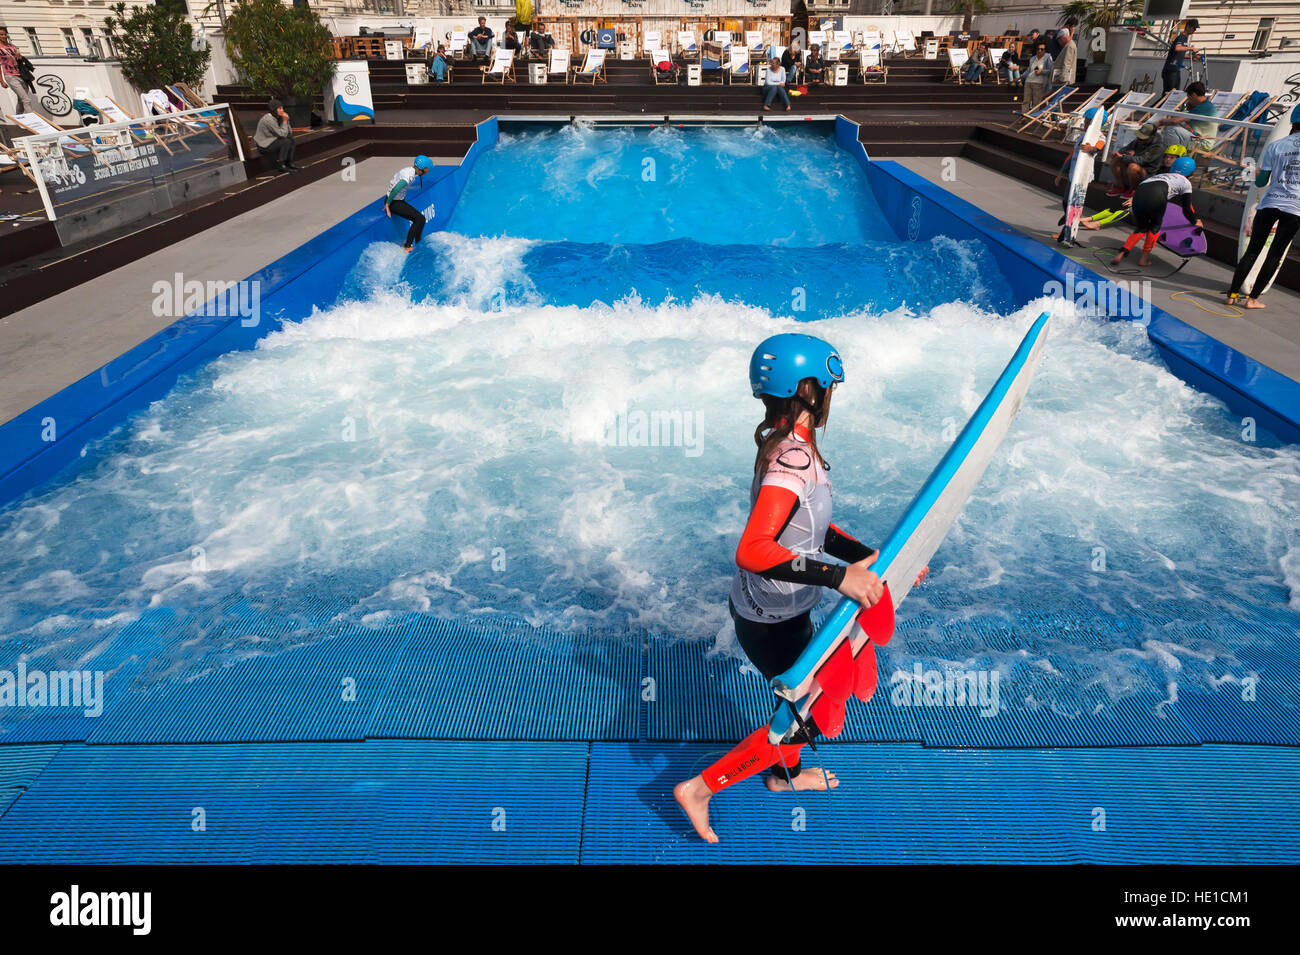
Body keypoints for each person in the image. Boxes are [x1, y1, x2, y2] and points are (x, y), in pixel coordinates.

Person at [672, 334, 927, 844]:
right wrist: (841, 578)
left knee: (801, 696)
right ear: (809, 391)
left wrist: (865, 560)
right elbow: (754, 549)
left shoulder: (788, 448)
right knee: (801, 717)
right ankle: (700, 789)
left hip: (771, 610)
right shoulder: (795, 461)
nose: (833, 394)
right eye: (830, 384)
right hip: (773, 617)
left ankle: (781, 776)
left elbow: (812, 530)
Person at [1227, 104, 1300, 309]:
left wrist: (1259, 173)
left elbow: (1260, 183)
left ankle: (1232, 294)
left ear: (1292, 122)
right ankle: (1252, 300)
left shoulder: (1276, 146)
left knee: (1252, 250)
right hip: (1295, 209)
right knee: (1274, 254)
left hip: (1270, 203)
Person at [1110, 156, 1202, 268]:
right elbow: (1186, 208)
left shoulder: (1159, 176)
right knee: (1154, 226)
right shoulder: (1185, 182)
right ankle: (1144, 259)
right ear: (1191, 173)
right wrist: (1195, 221)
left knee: (1142, 227)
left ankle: (1121, 253)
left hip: (1138, 195)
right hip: (1156, 196)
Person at [1053, 106, 1108, 244]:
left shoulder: (1100, 137)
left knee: (1074, 203)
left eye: (1088, 121)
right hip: (1073, 172)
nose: (1085, 123)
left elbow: (1099, 147)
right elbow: (1071, 155)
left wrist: (1092, 149)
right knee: (1066, 201)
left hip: (1083, 175)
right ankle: (1067, 219)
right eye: (1085, 120)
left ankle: (1067, 230)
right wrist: (1060, 173)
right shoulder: (1082, 137)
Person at [384, 156, 433, 254]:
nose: (427, 172)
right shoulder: (408, 176)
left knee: (422, 219)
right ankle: (407, 246)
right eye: (426, 170)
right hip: (394, 202)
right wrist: (387, 205)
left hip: (399, 200)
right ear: (421, 168)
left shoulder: (411, 171)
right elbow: (396, 189)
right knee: (418, 219)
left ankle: (418, 242)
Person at [1107, 123, 1163, 196]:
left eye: (1142, 138)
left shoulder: (1158, 148)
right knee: (1116, 160)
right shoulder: (1139, 140)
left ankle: (1134, 190)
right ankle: (1121, 187)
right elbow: (1124, 149)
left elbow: (1142, 160)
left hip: (1148, 173)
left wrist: (1125, 156)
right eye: (1138, 137)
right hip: (1134, 166)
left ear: (1152, 137)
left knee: (1133, 167)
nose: (1139, 140)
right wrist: (1122, 153)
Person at [1162, 81, 1218, 150]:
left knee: (1171, 130)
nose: (1188, 100)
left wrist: (1159, 122)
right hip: (1199, 139)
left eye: (1189, 97)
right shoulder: (1205, 105)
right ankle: (1174, 153)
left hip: (1202, 144)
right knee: (1174, 127)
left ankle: (1171, 155)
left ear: (1194, 95)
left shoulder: (1203, 108)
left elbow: (1175, 120)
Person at [0, 27, 38, 116]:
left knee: (21, 100)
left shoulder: (12, 46)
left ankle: (18, 118)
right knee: (26, 99)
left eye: (5, 34)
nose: (4, 36)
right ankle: (33, 120)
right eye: (1, 35)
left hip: (21, 75)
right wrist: (1, 81)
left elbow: (19, 58)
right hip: (10, 76)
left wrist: (19, 57)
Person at [253, 99, 298, 173]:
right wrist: (285, 121)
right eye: (280, 108)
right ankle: (281, 165)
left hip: (272, 140)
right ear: (273, 109)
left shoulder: (278, 117)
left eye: (282, 108)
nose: (282, 110)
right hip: (263, 145)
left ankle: (289, 163)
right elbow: (282, 134)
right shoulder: (268, 120)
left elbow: (289, 133)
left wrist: (287, 121)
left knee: (292, 140)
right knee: (286, 142)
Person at [1162, 18, 1200, 97]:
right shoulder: (1181, 37)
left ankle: (1159, 108)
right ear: (1189, 27)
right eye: (1194, 28)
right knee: (1169, 95)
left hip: (1176, 69)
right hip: (1171, 69)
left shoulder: (1185, 38)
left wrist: (1192, 57)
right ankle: (1153, 109)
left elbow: (1180, 54)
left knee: (1174, 94)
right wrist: (1191, 48)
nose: (1195, 30)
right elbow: (1177, 48)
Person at [1023, 42, 1053, 113]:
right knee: (1026, 101)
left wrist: (1041, 71)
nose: (1039, 50)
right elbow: (1029, 70)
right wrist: (1021, 76)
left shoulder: (1048, 58)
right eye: (1038, 49)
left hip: (1039, 83)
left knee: (1036, 103)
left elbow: (1051, 70)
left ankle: (1032, 118)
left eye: (1042, 49)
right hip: (1028, 82)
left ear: (1045, 50)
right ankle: (1024, 117)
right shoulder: (1033, 58)